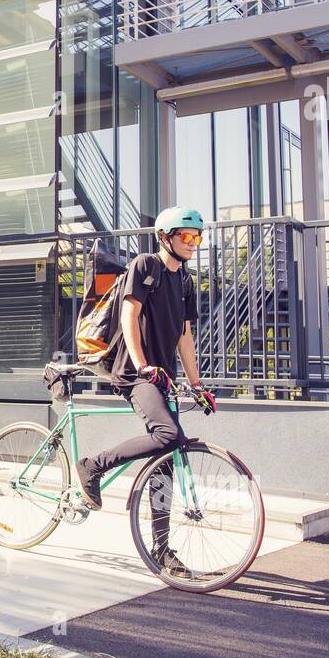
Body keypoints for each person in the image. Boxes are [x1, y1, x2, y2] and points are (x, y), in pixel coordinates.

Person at [73, 206, 217, 576]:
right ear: (165, 237)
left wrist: (197, 385)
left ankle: (162, 549)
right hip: (134, 371)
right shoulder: (145, 266)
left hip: (162, 375)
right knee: (168, 434)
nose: (193, 243)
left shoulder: (184, 281)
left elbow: (185, 337)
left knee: (165, 460)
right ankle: (93, 465)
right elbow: (129, 315)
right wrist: (141, 364)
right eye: (187, 236)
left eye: (197, 237)